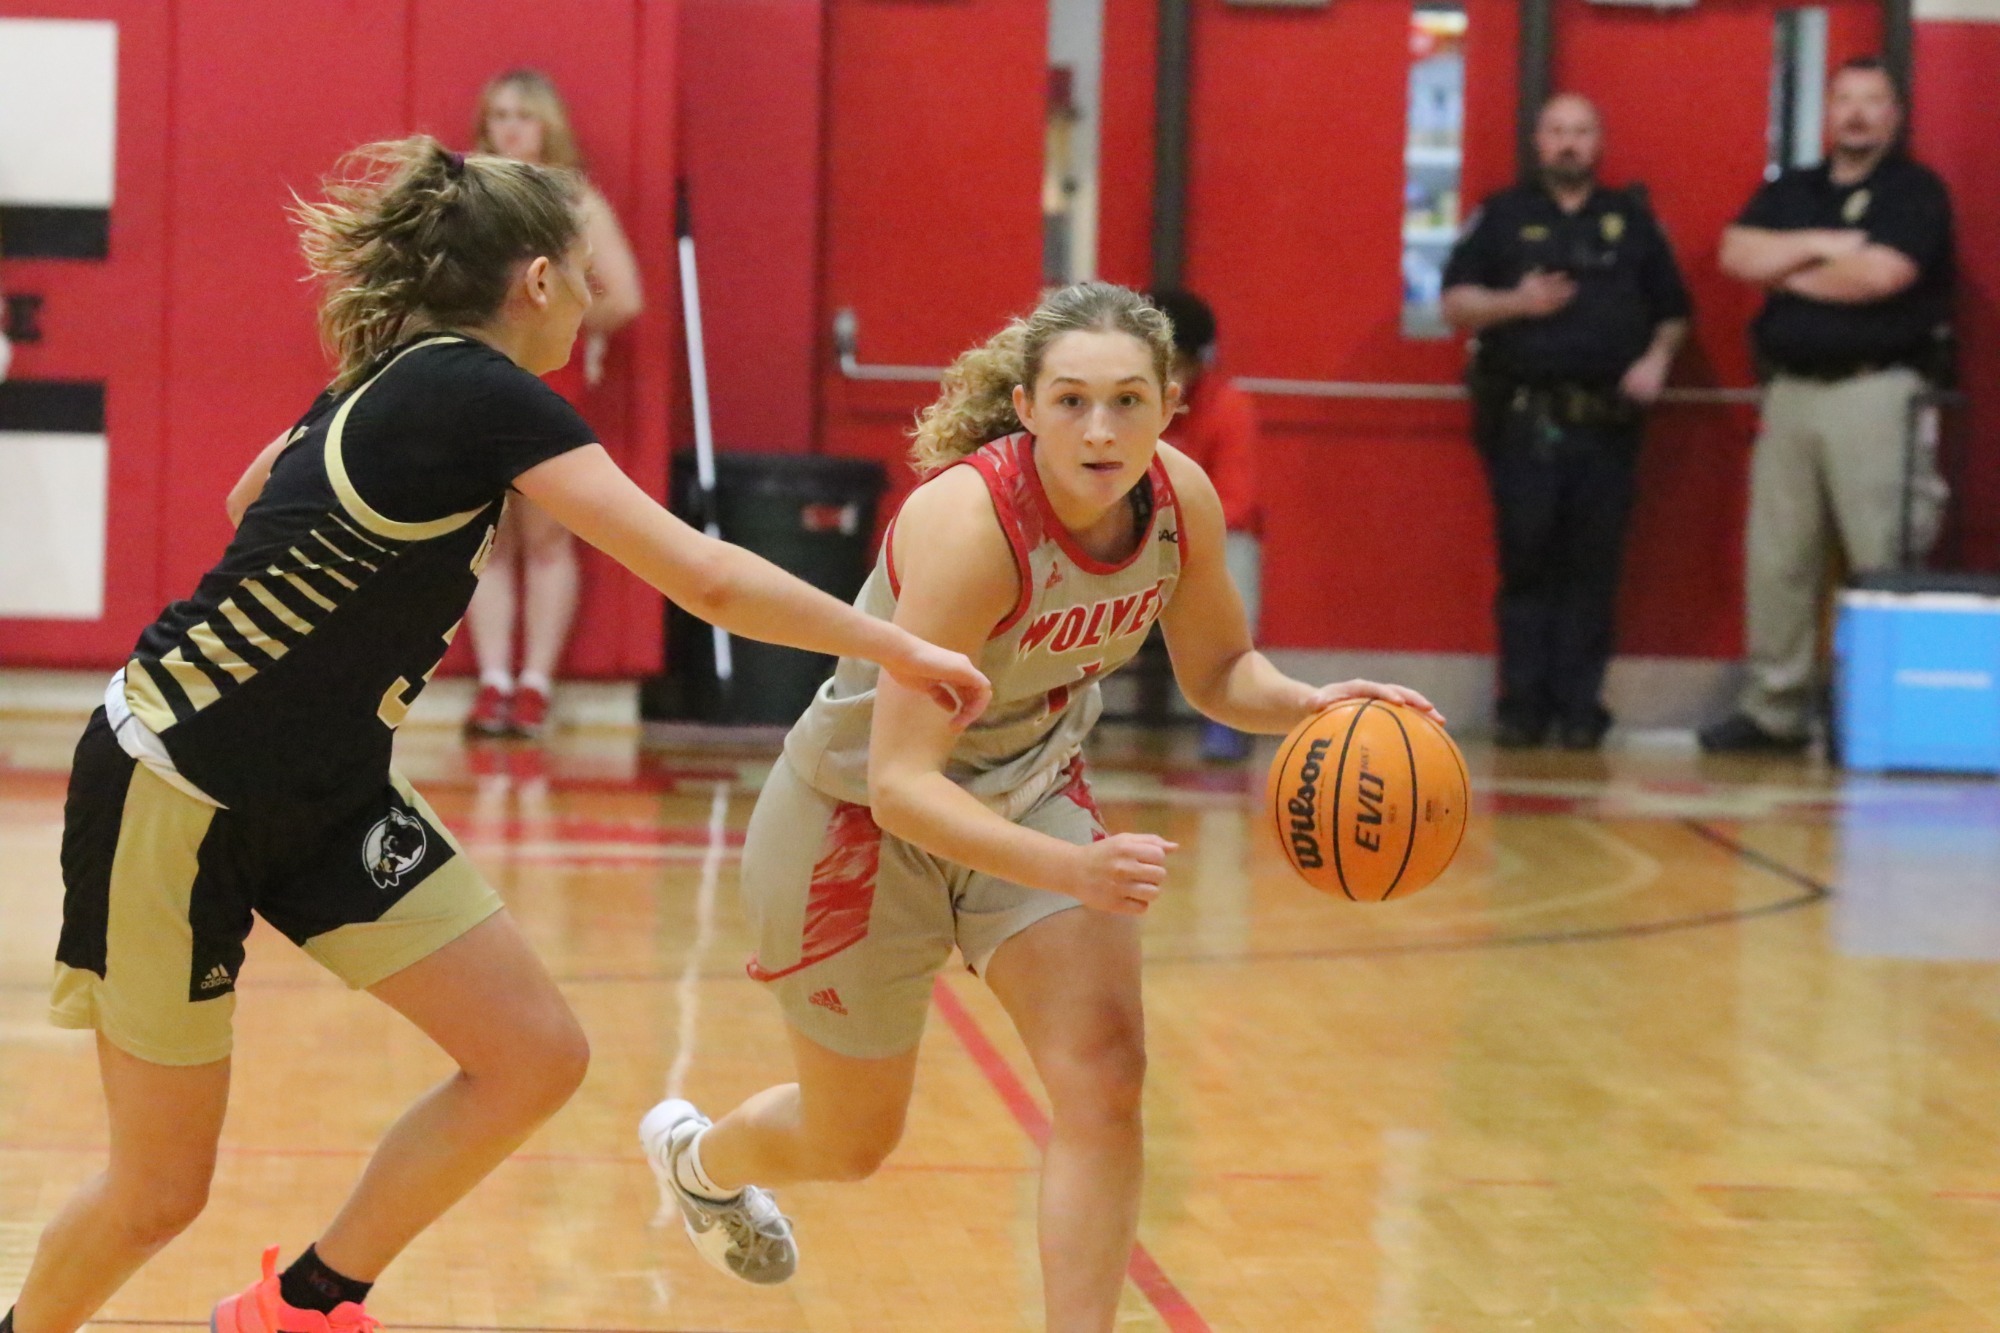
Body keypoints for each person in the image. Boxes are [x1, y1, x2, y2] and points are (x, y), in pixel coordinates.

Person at [4, 136, 987, 1333]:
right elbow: (706, 578)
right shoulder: (475, 392)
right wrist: (898, 646)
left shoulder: (402, 379)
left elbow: (248, 495)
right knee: (158, 1191)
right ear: (536, 279)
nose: (588, 297)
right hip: (179, 782)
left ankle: (298, 1309)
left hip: (325, 790)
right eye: (582, 272)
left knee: (531, 1054)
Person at [636, 282, 1439, 1332]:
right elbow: (902, 784)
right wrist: (1072, 871)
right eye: (1071, 401)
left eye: (1127, 400)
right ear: (1025, 407)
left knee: (1105, 1081)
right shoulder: (972, 528)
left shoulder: (1178, 501)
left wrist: (1309, 705)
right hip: (856, 824)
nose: (1100, 429)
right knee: (851, 1141)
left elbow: (1217, 669)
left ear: (1170, 404)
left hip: (1027, 783)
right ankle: (701, 1160)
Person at [1699, 56, 1955, 753]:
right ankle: (1775, 710)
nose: (1857, 114)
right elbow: (1737, 254)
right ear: (1827, 111)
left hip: (1875, 394)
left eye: (1873, 101)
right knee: (1778, 561)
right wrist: (1820, 246)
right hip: (1790, 395)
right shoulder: (1793, 190)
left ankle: (1876, 711)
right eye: (1845, 100)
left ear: (1894, 116)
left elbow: (1878, 277)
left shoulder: (1914, 192)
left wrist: (1786, 271)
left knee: (1882, 557)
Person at [1442, 93, 1690, 750]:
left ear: (1598, 142)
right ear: (1538, 141)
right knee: (1526, 564)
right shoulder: (1502, 215)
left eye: (1581, 131)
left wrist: (1656, 361)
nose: (1568, 143)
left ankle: (1581, 708)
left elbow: (1673, 310)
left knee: (1593, 569)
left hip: (1607, 424)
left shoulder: (1631, 220)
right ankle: (1522, 706)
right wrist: (1518, 303)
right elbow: (1456, 303)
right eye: (1556, 131)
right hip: (1525, 422)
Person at [462, 69, 644, 740]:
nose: (510, 128)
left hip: (546, 380)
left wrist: (555, 316)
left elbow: (624, 296)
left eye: (524, 115)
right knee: (483, 535)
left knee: (546, 534)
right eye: (499, 114)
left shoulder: (574, 201)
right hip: (478, 375)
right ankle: (493, 681)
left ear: (548, 126)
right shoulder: (471, 194)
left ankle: (535, 683)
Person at [1147, 288, 1265, 762]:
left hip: (1197, 541)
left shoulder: (1229, 406)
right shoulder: (1121, 403)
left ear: (1198, 361)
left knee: (1236, 552)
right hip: (1128, 538)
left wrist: (1172, 533)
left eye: (1176, 364)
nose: (1168, 376)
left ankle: (1228, 711)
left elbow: (1236, 502)